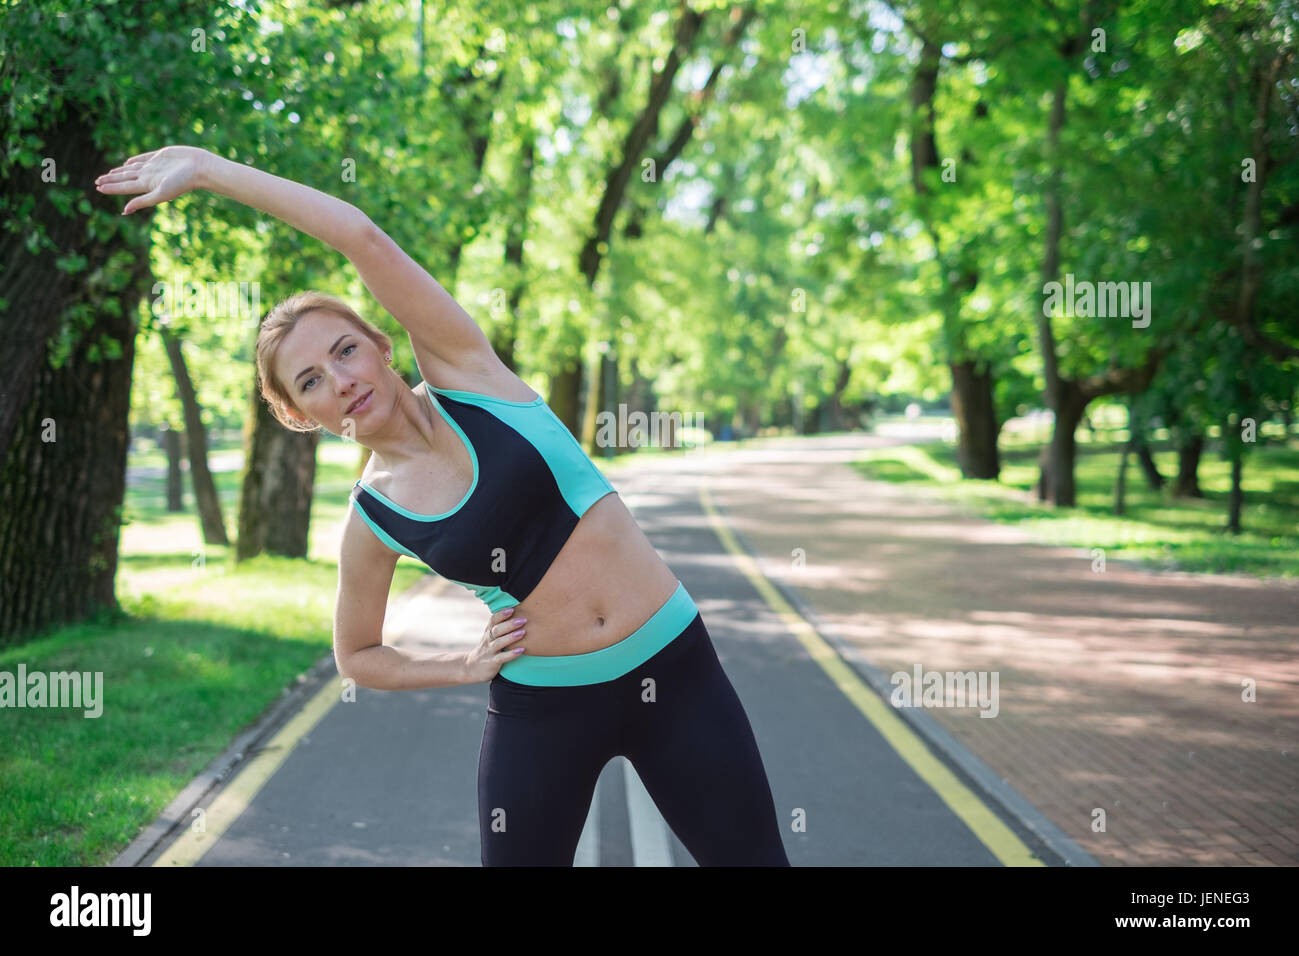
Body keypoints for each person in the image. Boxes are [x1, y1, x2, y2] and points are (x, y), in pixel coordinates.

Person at [96, 145, 791, 867]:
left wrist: (211, 172)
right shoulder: (373, 518)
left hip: (674, 671)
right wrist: (461, 666)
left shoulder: (469, 374)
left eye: (344, 351)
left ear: (381, 343)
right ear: (299, 414)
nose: (338, 380)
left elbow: (357, 236)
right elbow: (356, 656)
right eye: (308, 381)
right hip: (543, 709)